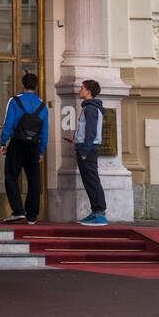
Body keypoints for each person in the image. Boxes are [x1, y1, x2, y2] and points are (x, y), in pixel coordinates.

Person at [0, 72, 48, 224]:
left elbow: (8, 122)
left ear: (23, 85)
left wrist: (3, 142)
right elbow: (45, 131)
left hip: (17, 143)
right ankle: (32, 215)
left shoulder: (14, 101)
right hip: (34, 146)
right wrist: (41, 150)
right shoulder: (42, 106)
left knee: (11, 175)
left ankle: (18, 210)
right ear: (36, 86)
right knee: (34, 179)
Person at [63, 79, 108, 225]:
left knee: (92, 180)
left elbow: (91, 131)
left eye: (82, 88)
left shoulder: (90, 108)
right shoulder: (89, 107)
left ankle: (100, 213)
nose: (79, 90)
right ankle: (95, 211)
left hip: (87, 149)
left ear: (88, 91)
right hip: (84, 146)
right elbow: (85, 130)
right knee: (89, 181)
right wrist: (75, 139)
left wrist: (84, 149)